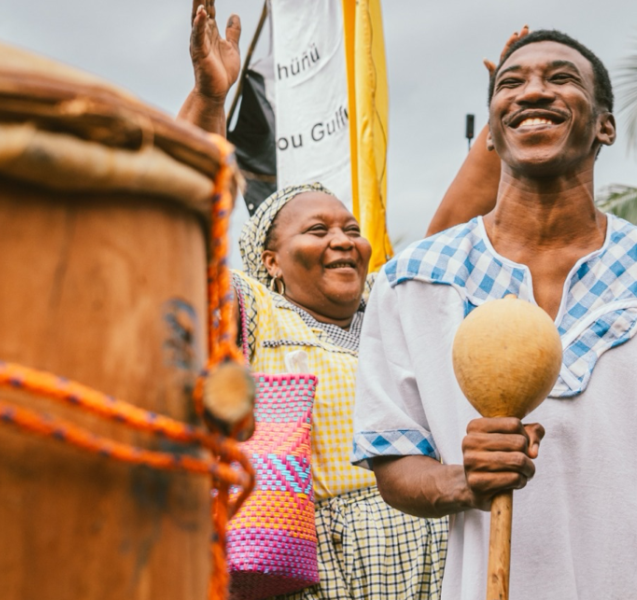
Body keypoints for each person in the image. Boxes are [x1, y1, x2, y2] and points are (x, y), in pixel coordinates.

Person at [351, 29, 637, 599]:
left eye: (560, 78)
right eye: (510, 83)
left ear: (605, 125)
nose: (531, 91)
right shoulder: (413, 282)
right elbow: (394, 467)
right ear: (491, 132)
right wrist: (465, 481)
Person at [176, 4, 448, 599]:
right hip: (313, 561)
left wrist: (499, 131)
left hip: (432, 555)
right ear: (270, 261)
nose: (343, 240)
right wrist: (209, 101)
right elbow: (183, 227)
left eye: (350, 228)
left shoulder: (392, 311)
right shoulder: (254, 314)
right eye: (317, 231)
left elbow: (450, 227)